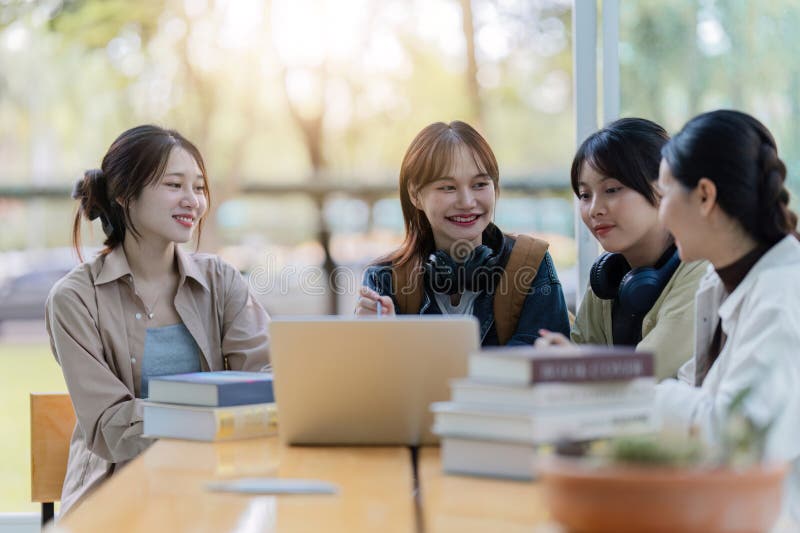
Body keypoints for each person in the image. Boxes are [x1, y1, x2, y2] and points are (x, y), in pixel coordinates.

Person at [46, 125, 270, 515]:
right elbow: (110, 427)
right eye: (174, 185)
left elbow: (268, 380)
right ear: (124, 195)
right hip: (115, 499)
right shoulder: (74, 299)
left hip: (215, 492)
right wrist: (215, 410)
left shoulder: (221, 281)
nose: (193, 202)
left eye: (199, 188)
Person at [654, 109, 799, 519]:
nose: (661, 215)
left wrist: (633, 392)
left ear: (705, 195)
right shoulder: (721, 284)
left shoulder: (784, 294)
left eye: (664, 195)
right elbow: (693, 396)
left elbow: (740, 434)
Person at [356, 120, 570, 346]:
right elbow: (371, 377)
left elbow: (541, 367)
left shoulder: (530, 263)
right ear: (415, 195)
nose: (467, 202)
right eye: (447, 187)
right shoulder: (384, 280)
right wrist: (384, 341)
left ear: (495, 189)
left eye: (479, 185)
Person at [536, 118, 706, 380]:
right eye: (585, 195)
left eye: (612, 190)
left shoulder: (700, 268)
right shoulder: (608, 276)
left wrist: (576, 364)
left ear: (663, 187)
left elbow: (650, 370)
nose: (595, 209)